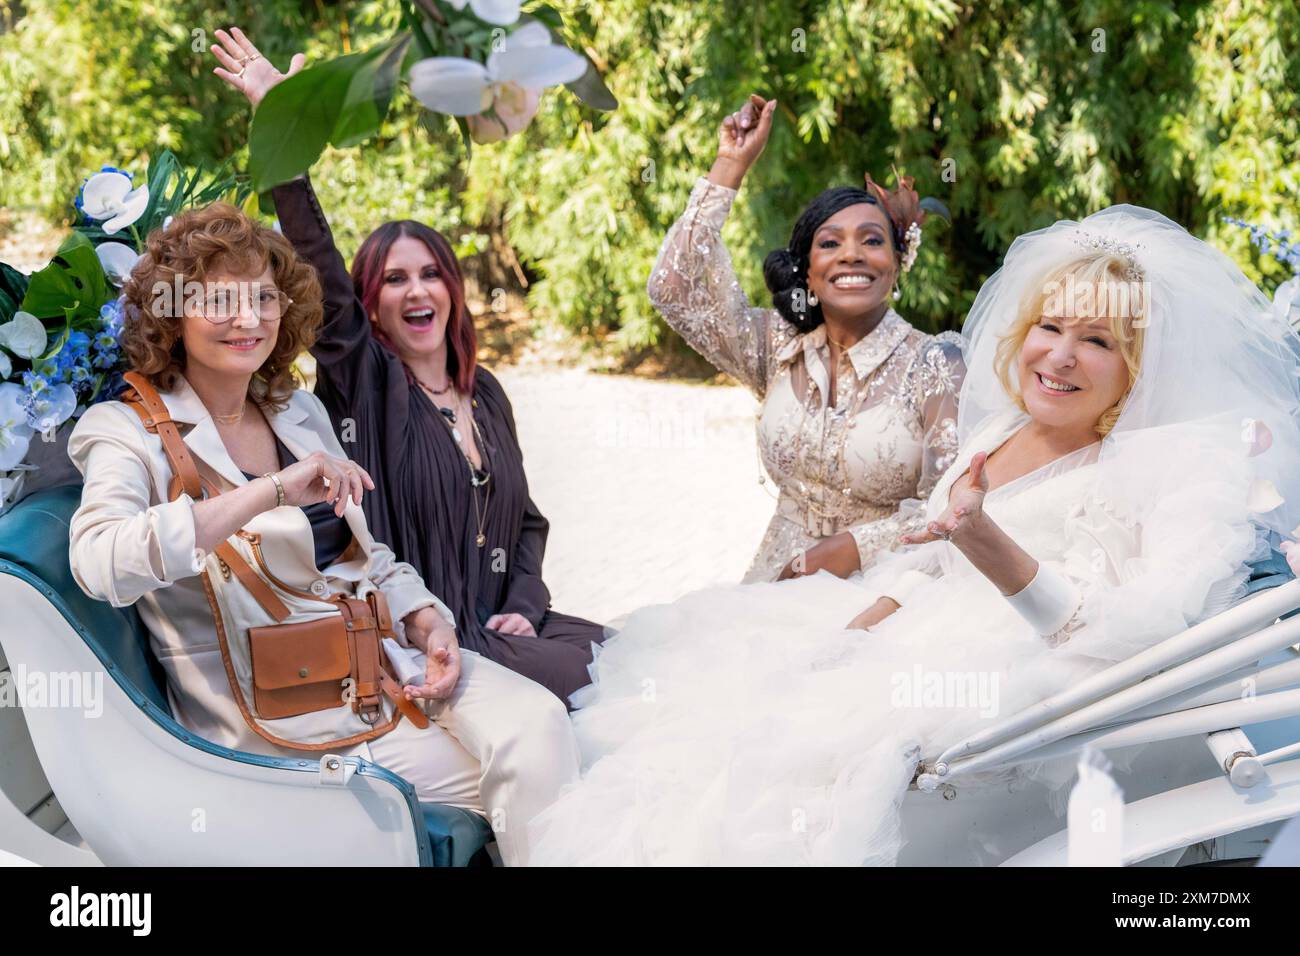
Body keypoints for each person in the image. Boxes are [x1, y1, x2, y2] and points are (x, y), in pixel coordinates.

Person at [527, 204, 1300, 865]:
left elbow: (1128, 635)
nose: (1060, 356)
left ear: (1139, 366)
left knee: (788, 761)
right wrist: (853, 632)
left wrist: (990, 544)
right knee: (714, 692)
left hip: (1020, 678)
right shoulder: (995, 431)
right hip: (915, 626)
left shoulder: (1160, 468)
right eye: (1050, 327)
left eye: (1098, 341)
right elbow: (926, 568)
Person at [67, 203, 578, 866]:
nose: (248, 318)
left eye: (263, 298)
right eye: (220, 299)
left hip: (381, 664)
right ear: (172, 313)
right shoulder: (124, 430)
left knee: (542, 724)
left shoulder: (292, 409)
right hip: (275, 714)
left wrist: (426, 620)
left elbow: (364, 555)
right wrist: (270, 491)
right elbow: (101, 563)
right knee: (539, 780)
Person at [210, 27, 605, 703]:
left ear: (454, 289)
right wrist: (283, 131)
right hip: (421, 639)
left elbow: (528, 523)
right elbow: (324, 278)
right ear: (372, 304)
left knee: (633, 659)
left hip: (507, 626)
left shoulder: (486, 395)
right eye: (394, 280)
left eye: (431, 274)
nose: (417, 290)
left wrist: (528, 602)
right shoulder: (369, 385)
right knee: (598, 685)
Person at [647, 94, 965, 583]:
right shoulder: (778, 345)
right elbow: (674, 288)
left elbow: (953, 511)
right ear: (809, 274)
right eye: (830, 243)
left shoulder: (936, 363)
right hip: (772, 588)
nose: (852, 254)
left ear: (899, 263)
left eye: (873, 240)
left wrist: (850, 548)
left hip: (889, 596)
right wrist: (730, 164)